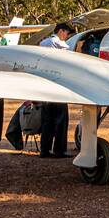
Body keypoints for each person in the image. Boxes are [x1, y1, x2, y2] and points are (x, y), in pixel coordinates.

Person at [37, 22, 75, 157]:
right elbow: (70, 56)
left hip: (45, 85)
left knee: (47, 120)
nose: (67, 35)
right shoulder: (57, 42)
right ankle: (59, 150)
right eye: (67, 32)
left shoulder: (43, 43)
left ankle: (44, 150)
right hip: (58, 85)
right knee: (61, 119)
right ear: (60, 31)